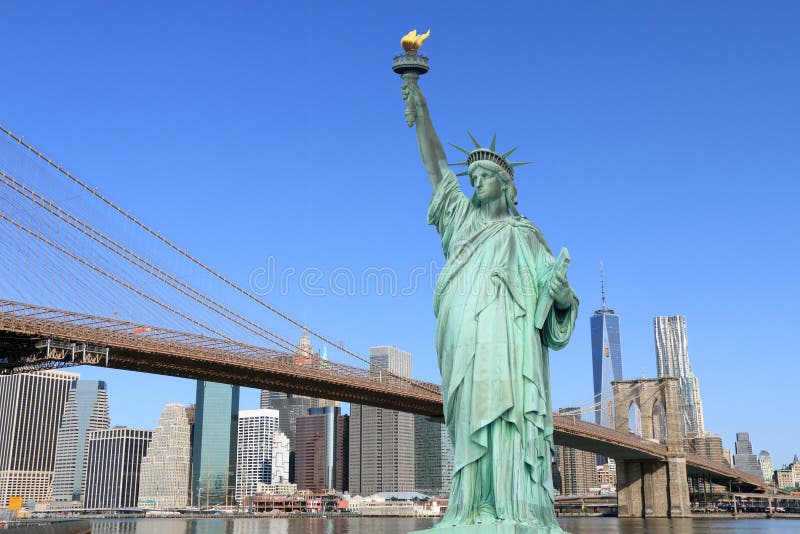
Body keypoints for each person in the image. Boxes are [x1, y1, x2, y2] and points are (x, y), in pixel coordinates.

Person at [403, 81, 578, 532]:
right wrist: (420, 107)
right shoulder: (459, 220)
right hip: (463, 336)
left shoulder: (526, 234)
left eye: (484, 176)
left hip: (510, 343)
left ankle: (515, 511)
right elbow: (436, 167)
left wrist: (559, 295)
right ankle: (470, 510)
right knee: (469, 417)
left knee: (509, 418)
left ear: (506, 185)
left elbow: (555, 301)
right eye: (472, 177)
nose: (475, 181)